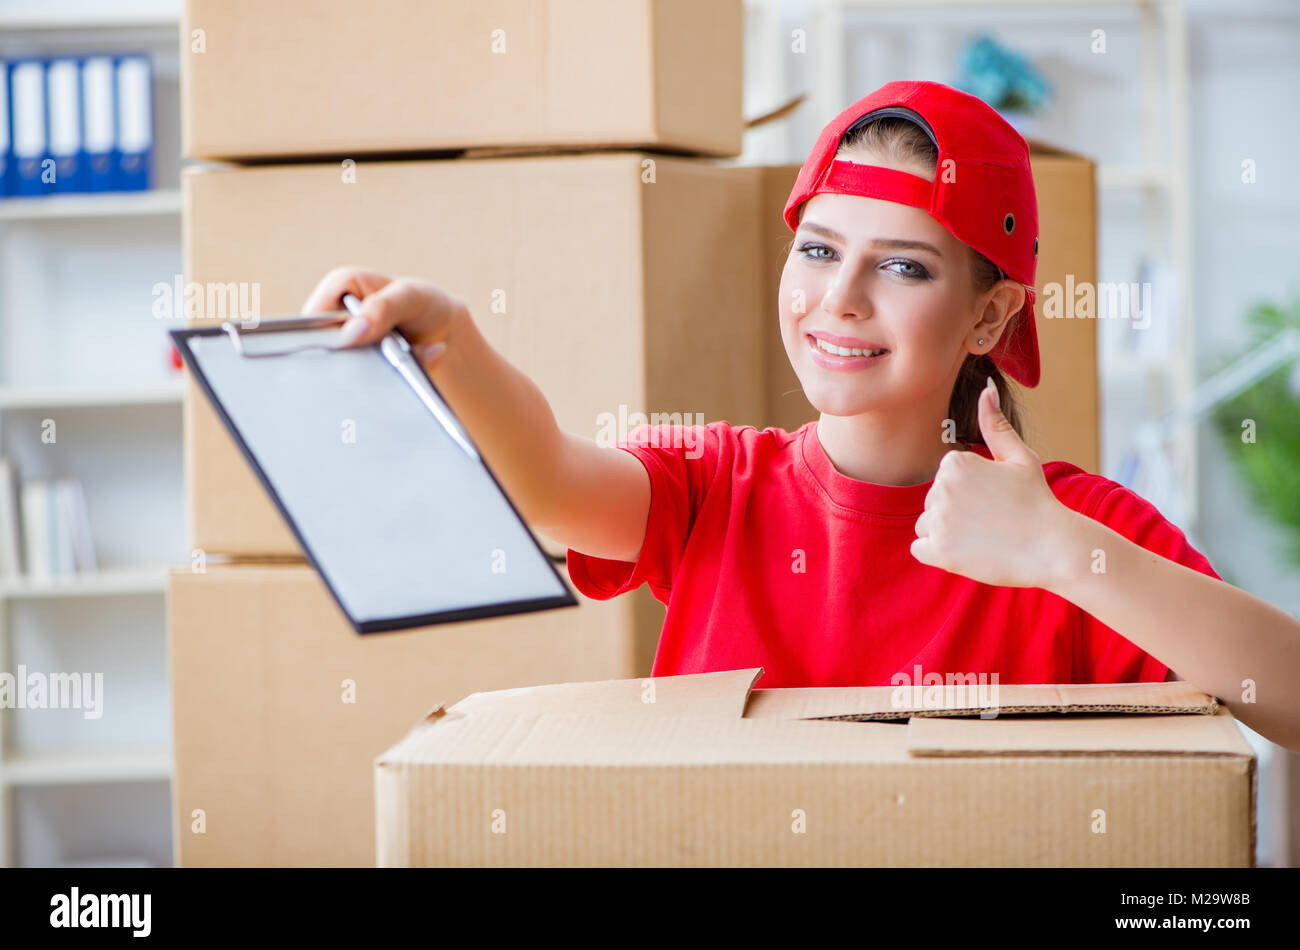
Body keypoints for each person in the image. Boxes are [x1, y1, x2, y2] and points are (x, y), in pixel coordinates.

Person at [304, 80, 1300, 752]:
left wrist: (1055, 553)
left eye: (902, 265)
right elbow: (549, 482)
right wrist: (455, 345)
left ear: (990, 314)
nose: (839, 299)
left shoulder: (1075, 531)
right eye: (818, 250)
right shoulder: (712, 487)